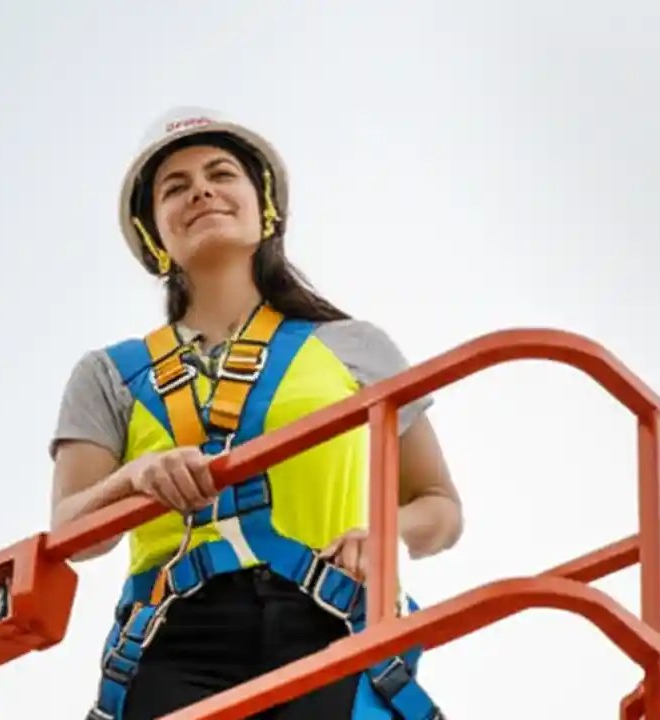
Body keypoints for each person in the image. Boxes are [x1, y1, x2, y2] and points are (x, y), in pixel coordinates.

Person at [48, 107, 463, 720]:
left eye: (221, 174)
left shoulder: (352, 346)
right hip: (176, 640)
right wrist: (135, 477)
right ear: (154, 232)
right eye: (175, 188)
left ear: (263, 206)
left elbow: (441, 508)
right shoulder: (108, 375)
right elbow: (69, 534)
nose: (202, 192)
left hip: (331, 622)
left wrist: (386, 535)